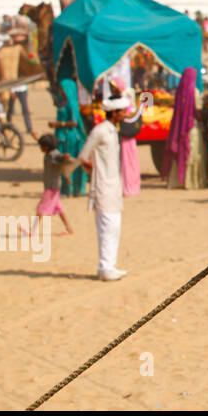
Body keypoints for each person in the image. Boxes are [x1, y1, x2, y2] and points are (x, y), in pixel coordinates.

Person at [79, 92, 130, 280]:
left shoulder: (112, 131)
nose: (125, 114)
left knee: (114, 226)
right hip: (102, 186)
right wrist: (95, 172)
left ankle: (109, 265)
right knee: (107, 227)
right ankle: (105, 267)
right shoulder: (100, 131)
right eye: (123, 111)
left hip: (114, 186)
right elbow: (84, 156)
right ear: (114, 112)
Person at [165, 67, 206, 190]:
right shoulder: (194, 92)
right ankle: (190, 182)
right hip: (191, 127)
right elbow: (198, 111)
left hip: (180, 128)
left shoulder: (180, 91)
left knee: (180, 153)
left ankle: (177, 181)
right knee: (193, 154)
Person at [50, 77, 89, 197]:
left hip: (71, 137)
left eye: (62, 89)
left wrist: (59, 124)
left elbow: (74, 122)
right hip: (63, 136)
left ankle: (73, 189)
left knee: (69, 162)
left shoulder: (72, 104)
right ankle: (67, 189)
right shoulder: (64, 102)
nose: (61, 91)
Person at [35, 134, 75, 237]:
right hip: (54, 186)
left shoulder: (53, 155)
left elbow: (59, 157)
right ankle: (69, 228)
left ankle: (33, 231)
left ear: (47, 147)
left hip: (51, 187)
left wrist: (64, 156)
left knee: (41, 208)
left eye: (42, 146)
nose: (40, 148)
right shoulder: (48, 154)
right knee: (59, 209)